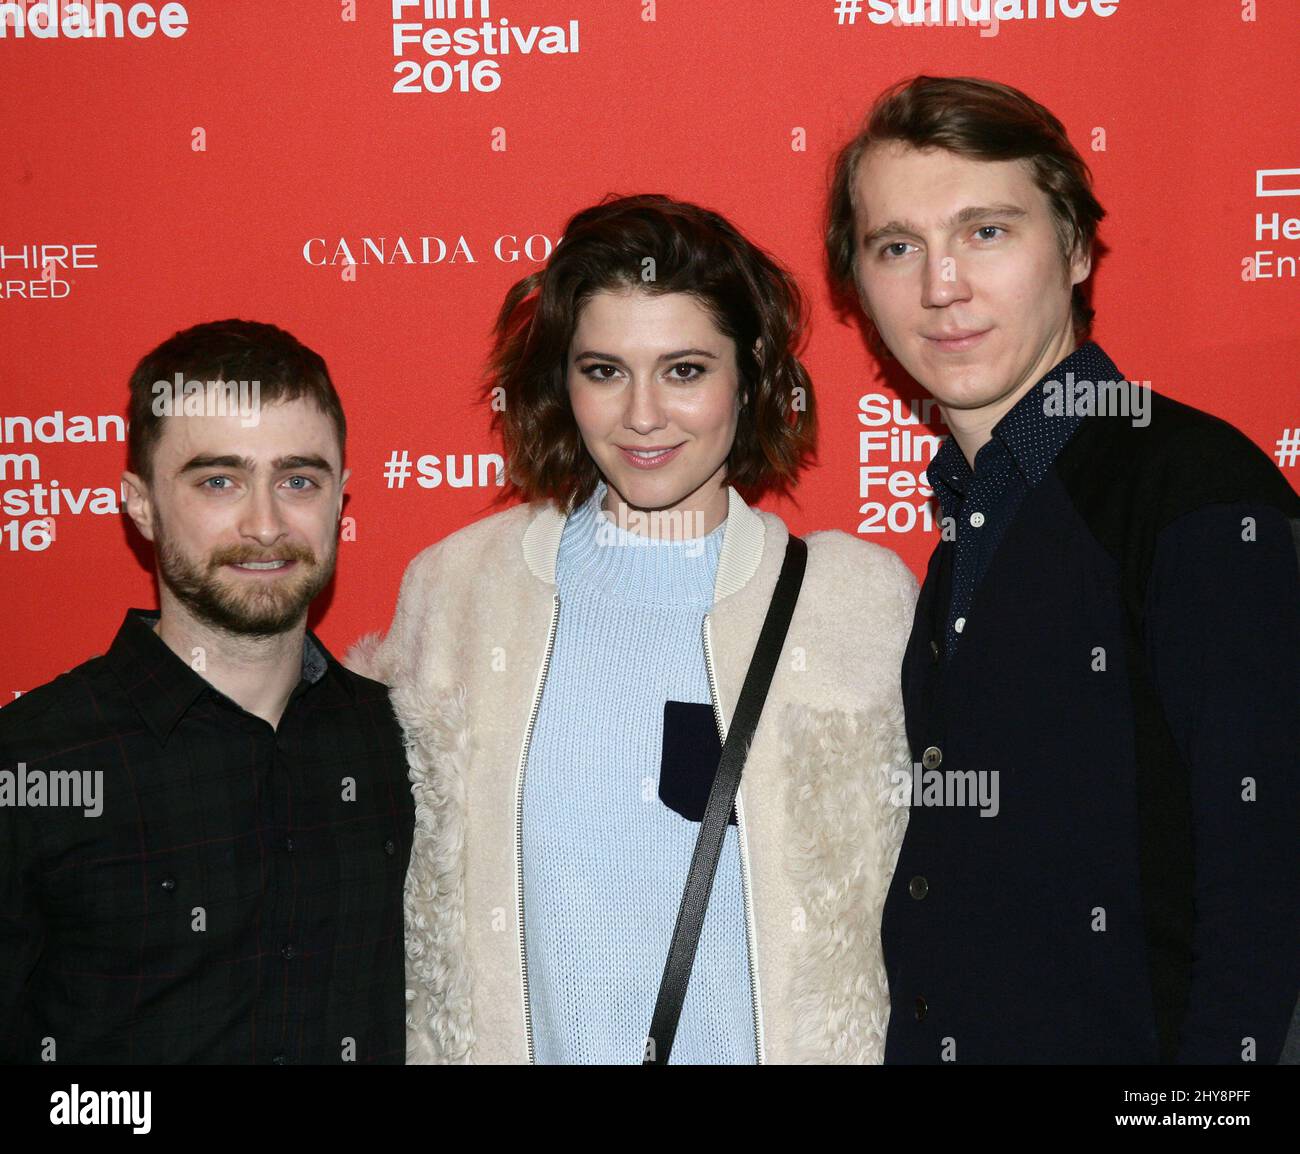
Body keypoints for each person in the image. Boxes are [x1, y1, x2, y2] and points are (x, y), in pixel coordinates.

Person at [348, 193, 917, 1064]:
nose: (643, 415)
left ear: (752, 372)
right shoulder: (461, 591)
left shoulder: (852, 602)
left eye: (685, 369)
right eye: (604, 370)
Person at [826, 74, 1300, 1064]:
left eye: (986, 232)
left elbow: (1269, 877)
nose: (940, 285)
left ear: (1077, 249)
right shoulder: (970, 530)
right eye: (896, 246)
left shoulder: (1193, 489)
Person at [0, 319, 414, 1064]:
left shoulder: (402, 746)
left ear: (341, 501)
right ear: (140, 503)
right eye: (218, 481)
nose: (264, 524)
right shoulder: (31, 763)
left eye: (298, 480)